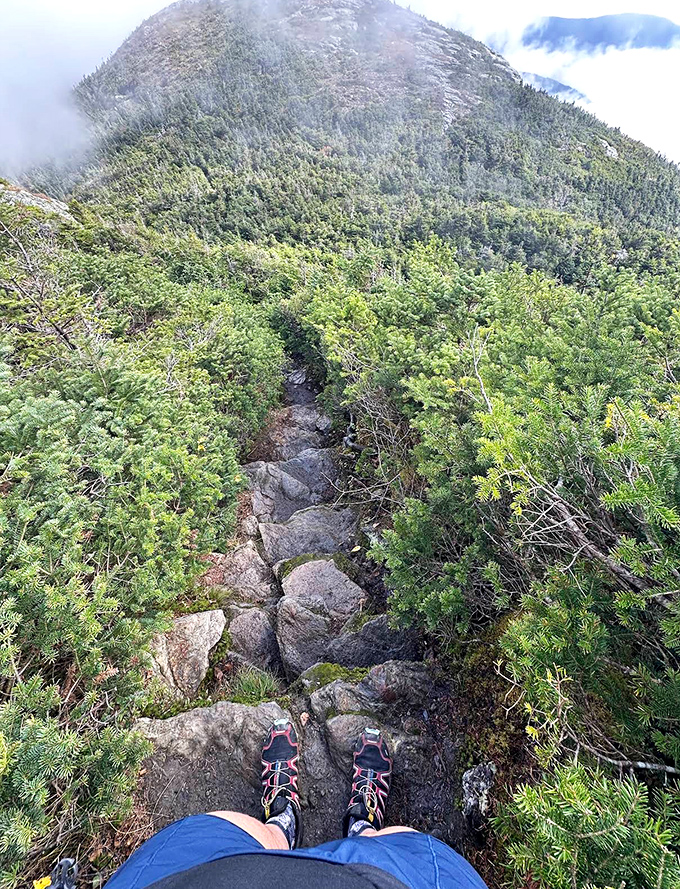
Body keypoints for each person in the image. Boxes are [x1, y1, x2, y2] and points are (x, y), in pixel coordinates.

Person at [105, 720, 488, 888]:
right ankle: (362, 823)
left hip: (184, 880)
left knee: (219, 826)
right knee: (405, 844)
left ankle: (280, 821)